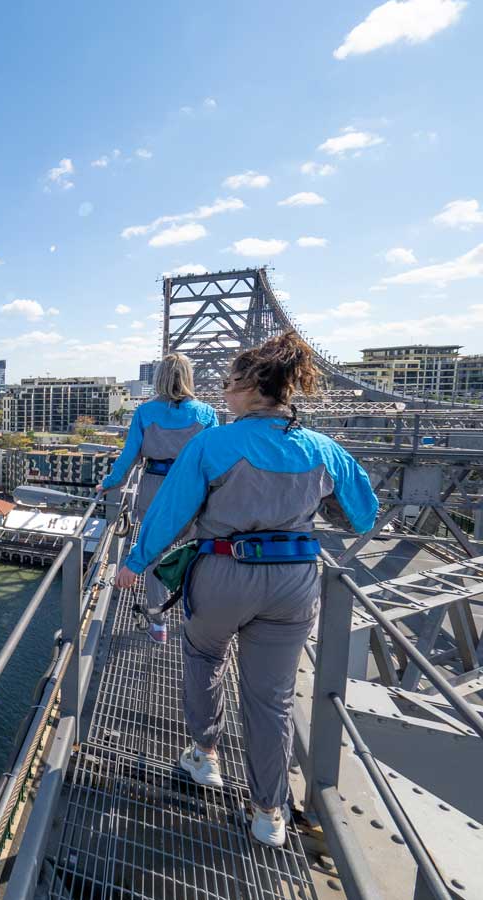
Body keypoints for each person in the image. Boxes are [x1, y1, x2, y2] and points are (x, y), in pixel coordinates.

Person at [113, 332, 377, 848]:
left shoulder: (212, 444)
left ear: (255, 387)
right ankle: (268, 811)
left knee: (203, 655)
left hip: (223, 574)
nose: (225, 395)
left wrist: (136, 562)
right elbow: (363, 514)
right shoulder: (323, 447)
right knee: (272, 700)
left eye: (231, 385)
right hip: (295, 583)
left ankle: (205, 756)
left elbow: (170, 514)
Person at [101, 353, 219, 643]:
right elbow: (216, 460)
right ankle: (198, 616)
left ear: (159, 378)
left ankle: (158, 623)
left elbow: (129, 457)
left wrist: (110, 482)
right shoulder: (206, 413)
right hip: (193, 489)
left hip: (155, 485)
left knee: (153, 552)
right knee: (197, 550)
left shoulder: (145, 412)